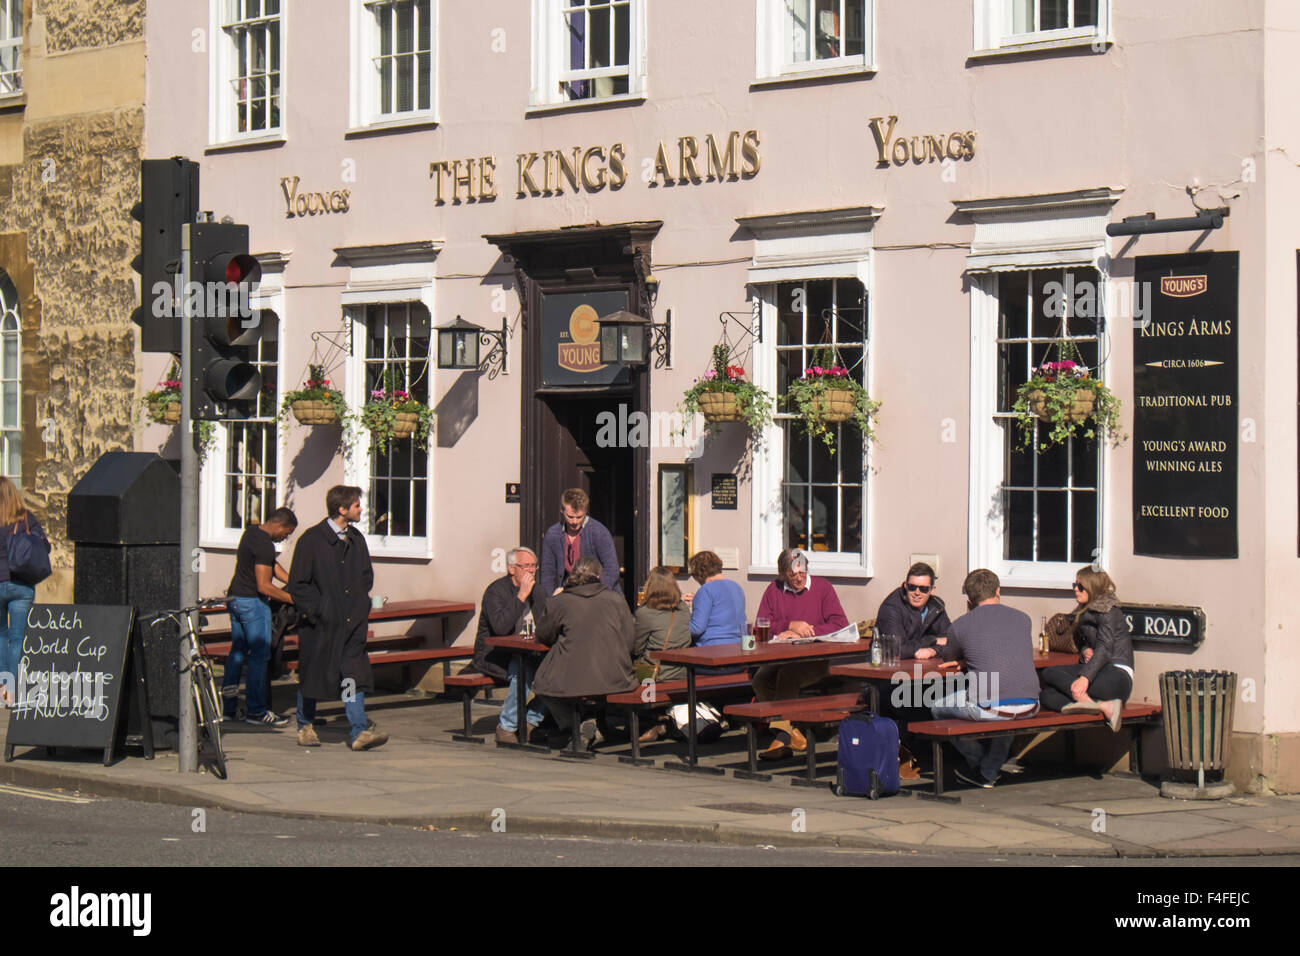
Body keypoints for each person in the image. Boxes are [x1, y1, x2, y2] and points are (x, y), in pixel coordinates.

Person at [287, 485, 387, 751]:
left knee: (352, 675)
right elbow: (298, 584)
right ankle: (305, 725)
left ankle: (358, 730)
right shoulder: (311, 541)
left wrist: (359, 605)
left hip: (352, 623)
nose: (361, 509)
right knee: (314, 675)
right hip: (320, 625)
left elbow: (366, 576)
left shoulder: (356, 540)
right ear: (342, 509)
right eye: (356, 505)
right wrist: (320, 609)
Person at [931, 569, 1041, 788]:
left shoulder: (961, 624)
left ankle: (980, 763)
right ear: (998, 590)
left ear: (969, 600)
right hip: (1031, 704)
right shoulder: (1023, 619)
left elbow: (949, 656)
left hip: (990, 707)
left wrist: (963, 660)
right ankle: (988, 769)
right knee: (1006, 711)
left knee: (936, 707)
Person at [752, 549, 849, 760]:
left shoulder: (823, 588)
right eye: (792, 574)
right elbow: (760, 626)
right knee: (759, 678)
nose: (798, 577)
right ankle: (790, 730)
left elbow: (839, 624)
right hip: (781, 656)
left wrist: (808, 630)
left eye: (802, 572)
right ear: (782, 574)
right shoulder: (773, 590)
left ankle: (782, 738)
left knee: (788, 675)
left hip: (814, 659)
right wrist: (788, 626)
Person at [533, 556, 638, 751]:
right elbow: (630, 640)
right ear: (598, 575)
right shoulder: (616, 600)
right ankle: (588, 723)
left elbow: (543, 635)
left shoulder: (560, 601)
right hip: (616, 675)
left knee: (541, 684)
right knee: (584, 685)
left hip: (571, 676)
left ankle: (572, 724)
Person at [221, 507, 297, 726]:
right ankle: (256, 711)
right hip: (252, 603)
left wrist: (292, 582)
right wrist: (294, 599)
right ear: (280, 525)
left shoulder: (252, 532)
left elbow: (271, 565)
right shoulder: (265, 545)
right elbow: (264, 586)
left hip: (235, 599)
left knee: (237, 654)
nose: (286, 537)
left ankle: (229, 709)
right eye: (287, 532)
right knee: (259, 656)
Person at [1038, 566, 1134, 733]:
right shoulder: (1083, 610)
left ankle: (1084, 700)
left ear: (1092, 587)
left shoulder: (1108, 610)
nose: (1075, 589)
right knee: (1046, 695)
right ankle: (1100, 705)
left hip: (1117, 676)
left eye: (1080, 586)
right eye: (1074, 585)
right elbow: (1080, 639)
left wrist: (1085, 678)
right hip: (1097, 673)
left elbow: (1105, 647)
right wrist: (1084, 650)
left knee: (1049, 673)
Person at [474, 546, 547, 745]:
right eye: (526, 566)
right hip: (497, 656)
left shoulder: (539, 592)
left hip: (531, 652)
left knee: (558, 671)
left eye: (534, 566)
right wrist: (521, 596)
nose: (531, 571)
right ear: (512, 569)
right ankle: (506, 727)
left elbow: (546, 623)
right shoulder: (495, 592)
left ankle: (531, 721)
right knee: (521, 667)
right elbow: (500, 628)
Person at [0, 477, 47, 709]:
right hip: (21, 584)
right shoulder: (26, 518)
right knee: (18, 638)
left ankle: (2, 686)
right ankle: (12, 692)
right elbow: (44, 546)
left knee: (0, 635)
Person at [538, 488, 619, 596]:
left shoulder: (599, 532)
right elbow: (547, 572)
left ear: (585, 512)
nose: (574, 522)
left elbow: (611, 569)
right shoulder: (553, 534)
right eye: (570, 517)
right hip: (567, 594)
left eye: (579, 517)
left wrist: (596, 594)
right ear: (562, 511)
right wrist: (551, 598)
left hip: (598, 593)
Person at [874, 561, 951, 660]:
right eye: (912, 587)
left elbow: (952, 642)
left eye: (923, 589)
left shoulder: (936, 606)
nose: (917, 593)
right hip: (887, 667)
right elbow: (896, 649)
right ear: (905, 585)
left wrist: (933, 651)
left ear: (932, 590)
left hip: (924, 666)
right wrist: (933, 640)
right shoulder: (891, 608)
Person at [684, 550, 746, 648]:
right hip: (738, 645)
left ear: (699, 573)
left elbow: (697, 628)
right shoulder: (737, 587)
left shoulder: (706, 590)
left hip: (712, 647)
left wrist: (678, 625)